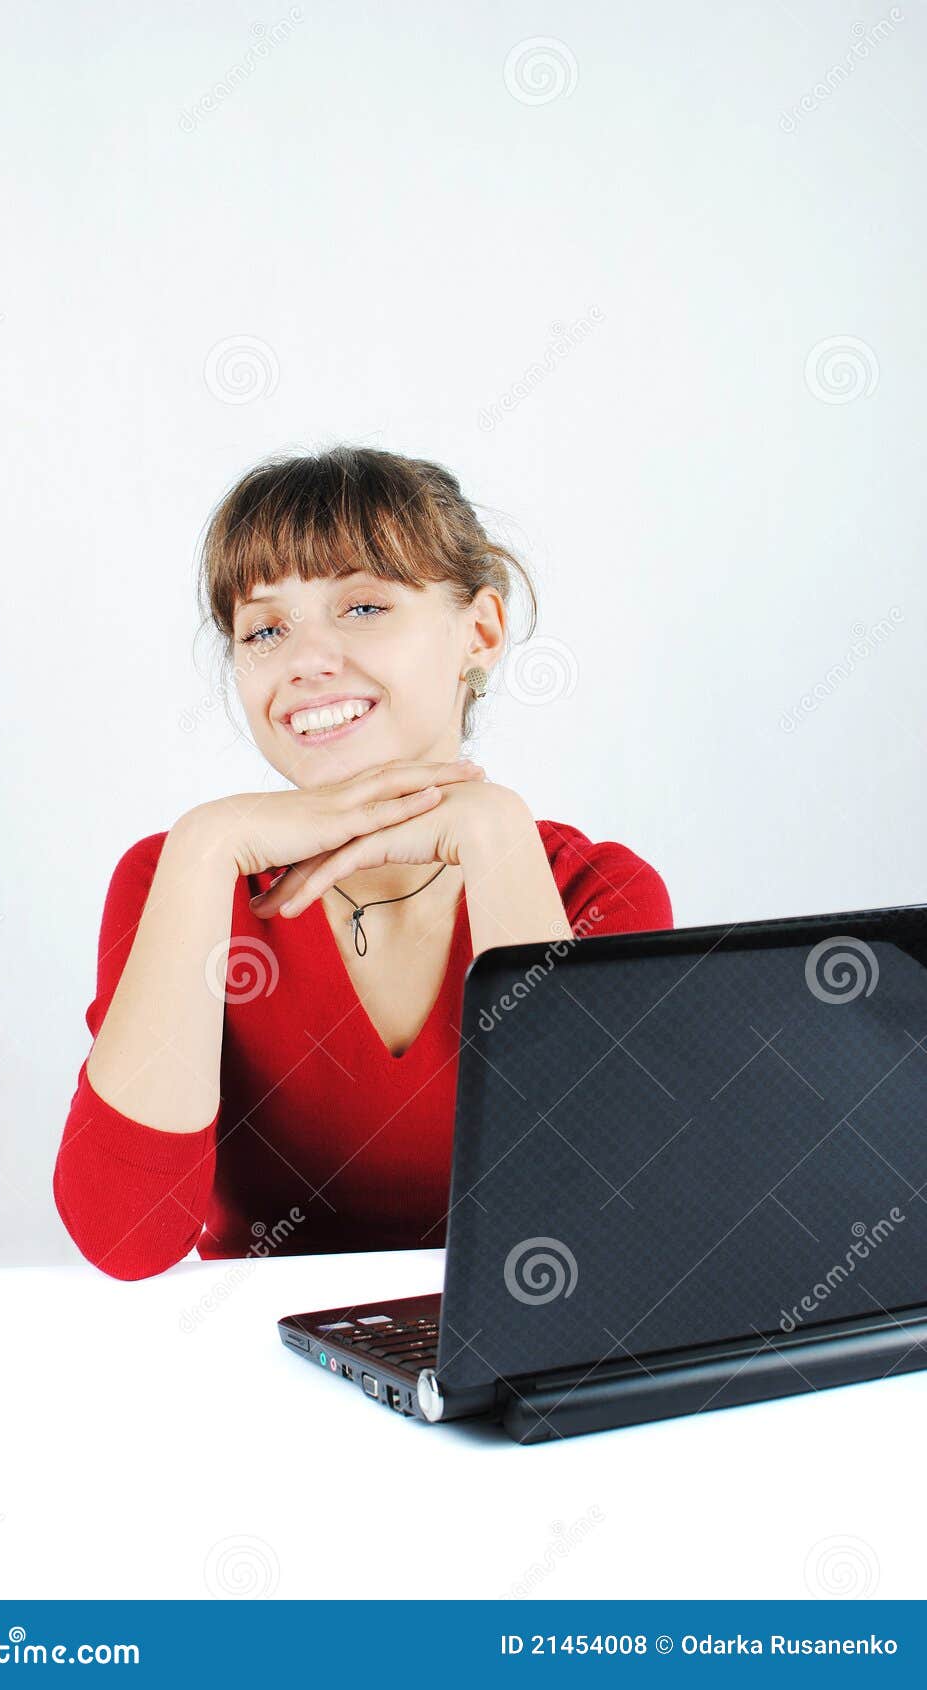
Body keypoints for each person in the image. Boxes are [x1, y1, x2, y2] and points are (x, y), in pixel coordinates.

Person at [52, 445, 673, 1280]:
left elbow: (601, 1223)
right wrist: (204, 848)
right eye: (265, 628)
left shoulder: (595, 891)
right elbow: (124, 1238)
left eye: (363, 607)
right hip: (256, 1371)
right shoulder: (178, 877)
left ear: (480, 631)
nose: (305, 660)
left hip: (512, 1372)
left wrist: (494, 840)